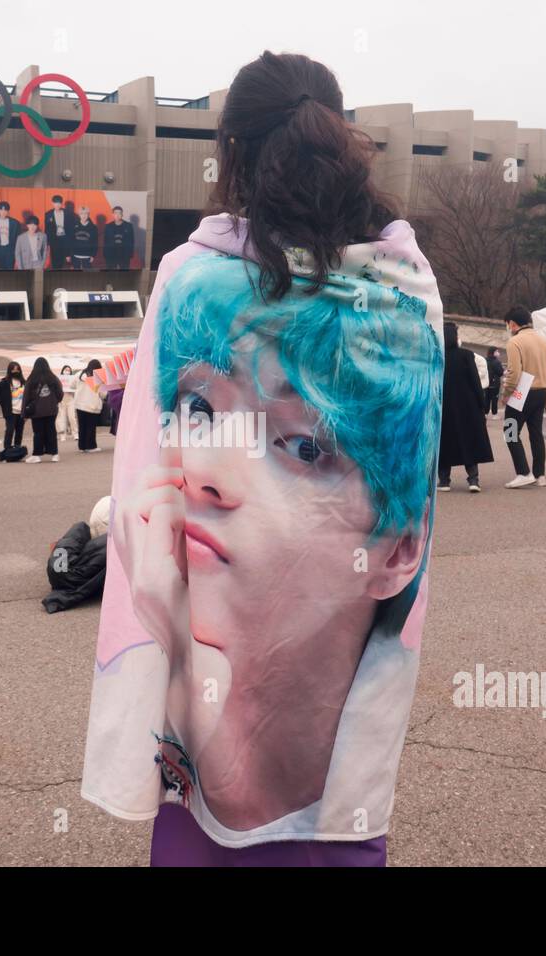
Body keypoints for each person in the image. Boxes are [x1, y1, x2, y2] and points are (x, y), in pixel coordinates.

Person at [81, 51, 445, 868]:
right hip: (335, 831)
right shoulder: (406, 286)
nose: (206, 471)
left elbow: (139, 448)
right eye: (201, 411)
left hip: (195, 814)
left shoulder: (187, 274)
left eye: (306, 445)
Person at [499, 305, 546, 489]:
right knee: (535, 433)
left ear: (512, 324)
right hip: (540, 390)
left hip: (522, 390)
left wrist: (506, 394)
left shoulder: (515, 342)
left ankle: (523, 472)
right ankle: (540, 474)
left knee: (511, 431)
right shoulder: (542, 340)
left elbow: (514, 372)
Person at [436, 322, 493, 492]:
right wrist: (483, 405)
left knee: (444, 443)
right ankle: (473, 480)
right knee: (469, 442)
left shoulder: (437, 357)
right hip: (467, 407)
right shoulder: (467, 355)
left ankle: (444, 481)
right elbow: (476, 382)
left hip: (444, 406)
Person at [21, 356, 63, 463]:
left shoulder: (32, 379)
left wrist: (24, 413)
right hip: (51, 409)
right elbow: (60, 393)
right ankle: (55, 454)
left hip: (37, 411)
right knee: (51, 431)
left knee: (38, 432)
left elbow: (26, 396)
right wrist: (54, 401)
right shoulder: (53, 378)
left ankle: (37, 454)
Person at [0, 362, 26, 451]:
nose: (15, 371)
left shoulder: (24, 382)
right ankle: (7, 449)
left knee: (19, 431)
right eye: (13, 369)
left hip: (22, 411)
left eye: (17, 369)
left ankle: (17, 448)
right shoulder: (5, 382)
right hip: (10, 411)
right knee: (10, 430)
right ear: (10, 370)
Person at [74, 359, 105, 452]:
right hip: (92, 405)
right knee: (90, 427)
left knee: (82, 426)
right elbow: (103, 393)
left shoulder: (79, 374)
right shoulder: (98, 378)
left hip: (79, 404)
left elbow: (72, 385)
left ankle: (82, 446)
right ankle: (91, 446)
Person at [0, 201, 21, 270]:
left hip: (10, 249)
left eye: (5, 210)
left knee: (9, 267)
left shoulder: (15, 223)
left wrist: (17, 251)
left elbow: (19, 238)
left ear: (8, 211)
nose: (3, 212)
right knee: (1, 267)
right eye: (1, 210)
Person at [45, 194, 71, 269]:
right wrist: (48, 242)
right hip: (54, 241)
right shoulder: (48, 214)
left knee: (66, 262)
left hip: (65, 240)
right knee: (55, 263)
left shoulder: (68, 213)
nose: (57, 205)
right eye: (55, 203)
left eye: (59, 203)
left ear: (62, 204)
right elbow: (47, 229)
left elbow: (71, 228)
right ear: (52, 203)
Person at [71, 206, 98, 270]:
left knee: (87, 275)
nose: (84, 215)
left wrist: (93, 255)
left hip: (87, 255)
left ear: (88, 215)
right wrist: (70, 254)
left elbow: (95, 242)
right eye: (81, 213)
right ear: (79, 215)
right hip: (76, 255)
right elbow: (71, 241)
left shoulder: (93, 227)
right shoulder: (74, 226)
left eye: (86, 213)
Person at [56, 364, 78, 443]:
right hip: (62, 401)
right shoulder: (59, 379)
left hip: (70, 400)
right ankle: (62, 435)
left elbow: (76, 389)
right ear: (62, 370)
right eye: (66, 370)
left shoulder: (72, 379)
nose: (67, 371)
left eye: (69, 370)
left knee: (72, 417)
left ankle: (75, 434)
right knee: (62, 419)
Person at [484, 346, 504, 419]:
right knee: (494, 399)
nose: (498, 353)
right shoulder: (497, 362)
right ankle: (494, 414)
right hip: (495, 384)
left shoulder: (485, 360)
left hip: (486, 383)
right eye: (497, 351)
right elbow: (500, 372)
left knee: (486, 398)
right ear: (494, 352)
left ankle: (485, 413)